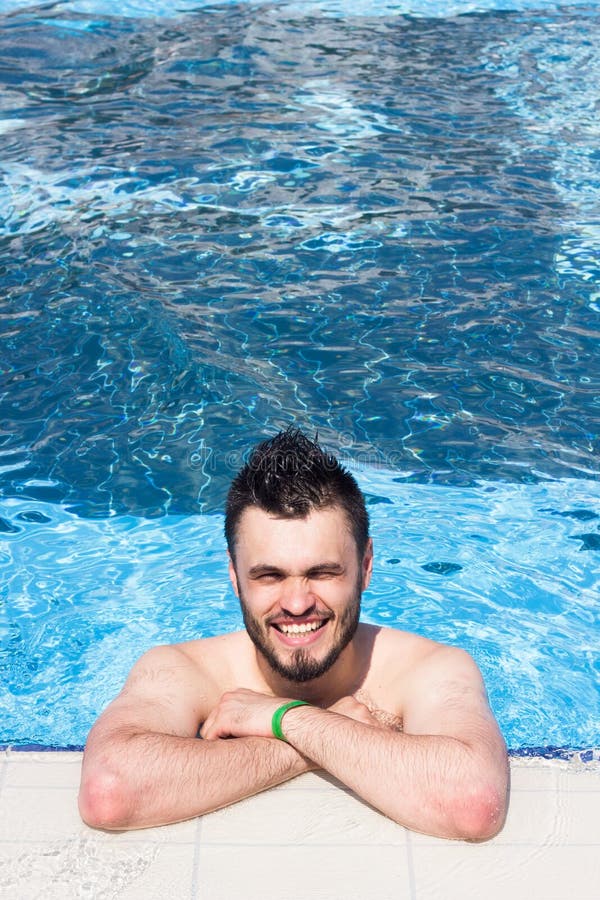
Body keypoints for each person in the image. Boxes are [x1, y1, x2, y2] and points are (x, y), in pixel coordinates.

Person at [79, 428, 508, 840]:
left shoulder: (429, 669)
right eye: (269, 575)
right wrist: (329, 734)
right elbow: (109, 791)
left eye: (322, 572)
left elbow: (473, 803)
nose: (297, 603)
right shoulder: (183, 669)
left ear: (366, 566)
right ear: (234, 575)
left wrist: (281, 718)